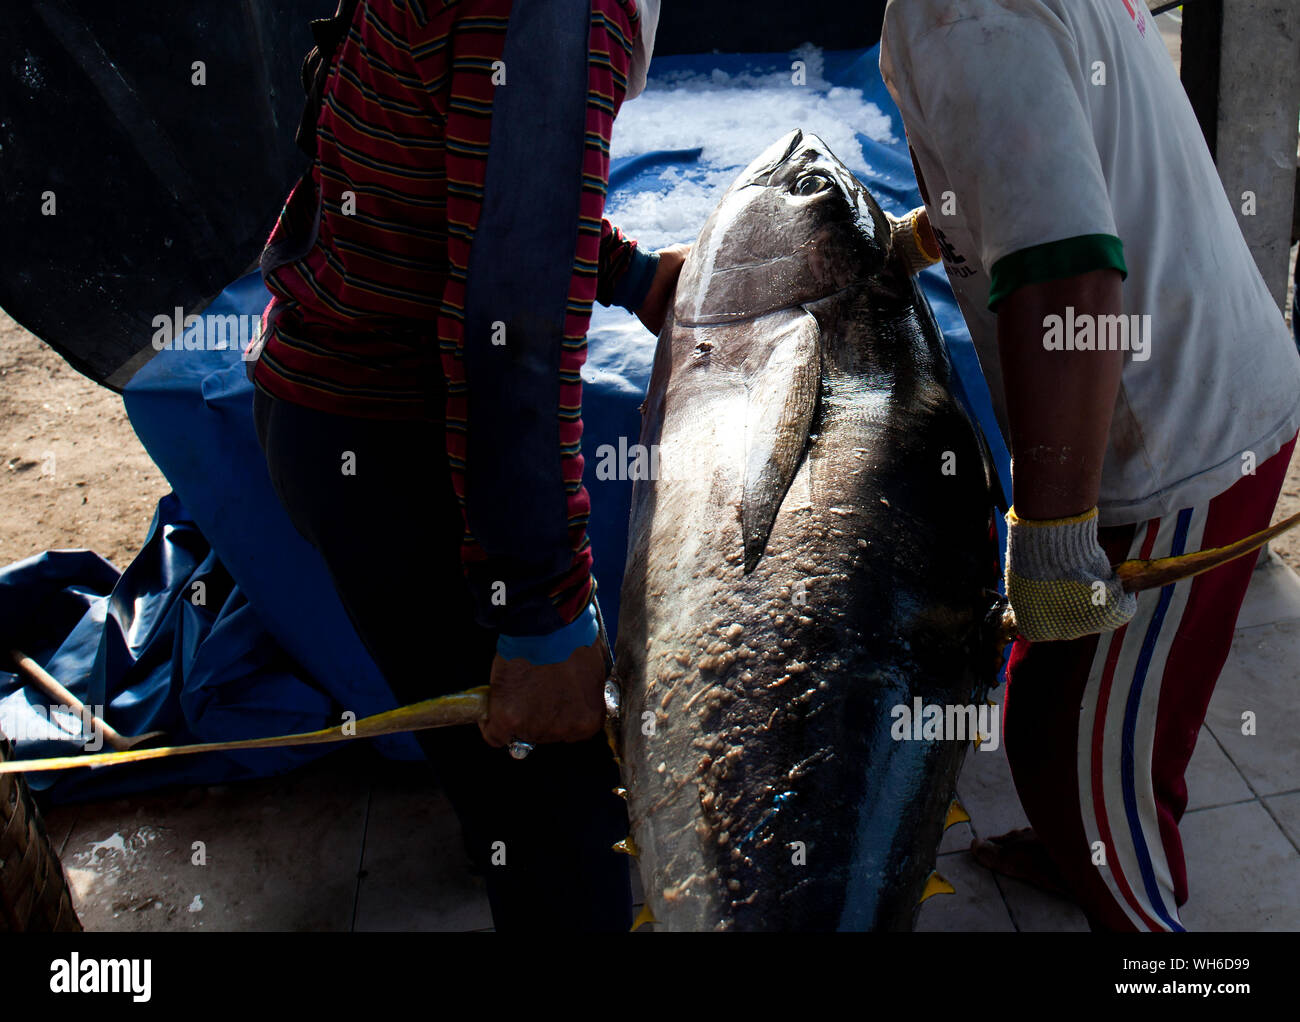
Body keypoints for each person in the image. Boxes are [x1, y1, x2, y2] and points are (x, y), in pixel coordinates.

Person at [248, 0, 683, 931]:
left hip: (330, 415)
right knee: (569, 839)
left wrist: (633, 276)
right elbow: (511, 341)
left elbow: (458, 172)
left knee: (518, 810)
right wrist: (542, 612)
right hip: (397, 448)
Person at [880, 0, 1300, 930]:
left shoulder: (954, 12)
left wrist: (1056, 537)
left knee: (1058, 737)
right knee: (1136, 705)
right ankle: (1108, 834)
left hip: (1181, 442)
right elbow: (1051, 157)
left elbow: (1072, 281)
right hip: (1226, 392)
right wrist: (919, 235)